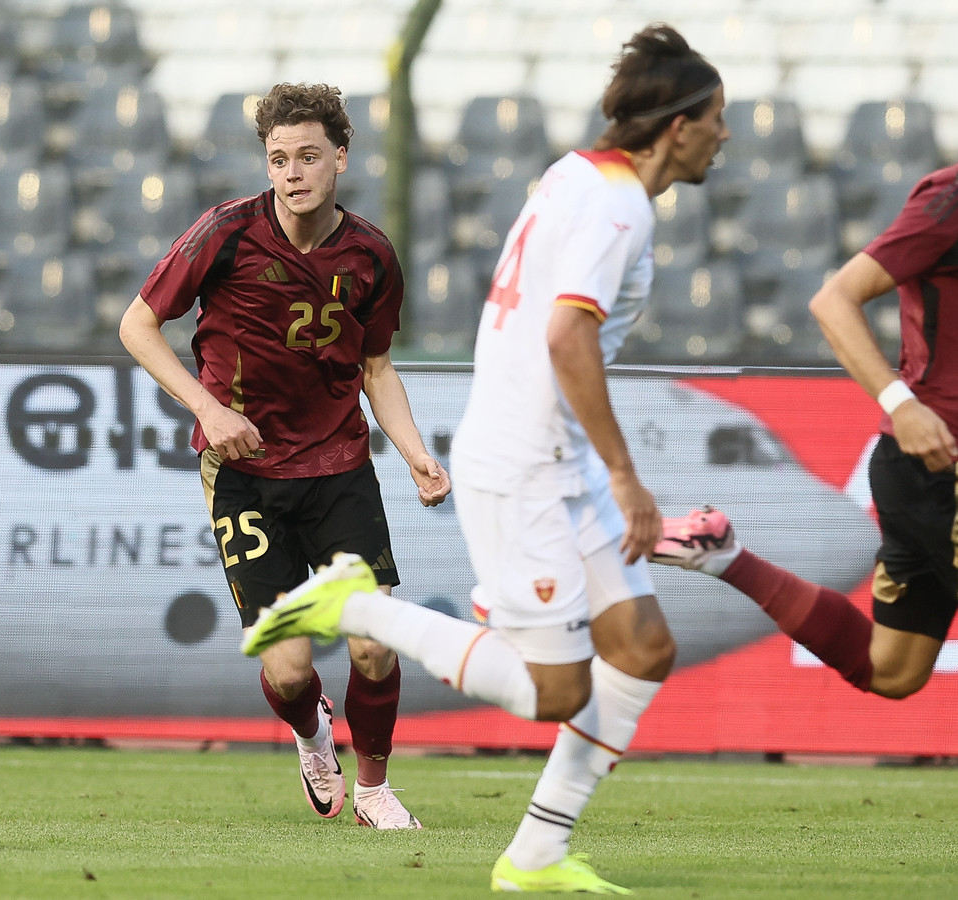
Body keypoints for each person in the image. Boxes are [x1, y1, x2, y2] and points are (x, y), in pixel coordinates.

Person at [244, 25, 727, 895]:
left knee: (644, 648)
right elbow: (568, 335)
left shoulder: (576, 175)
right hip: (528, 463)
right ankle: (361, 610)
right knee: (553, 692)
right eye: (716, 120)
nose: (724, 137)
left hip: (550, 453)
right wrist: (626, 476)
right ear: (679, 126)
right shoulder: (617, 206)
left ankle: (537, 855)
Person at [119, 82, 450, 830]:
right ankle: (310, 735)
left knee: (373, 644)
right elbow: (137, 326)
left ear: (340, 156)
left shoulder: (370, 255)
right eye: (277, 159)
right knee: (291, 667)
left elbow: (375, 367)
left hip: (338, 470)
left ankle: (372, 789)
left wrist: (414, 455)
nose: (292, 172)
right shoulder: (225, 233)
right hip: (243, 477)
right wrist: (207, 407)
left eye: (307, 156)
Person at [652, 162, 958, 701]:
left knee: (891, 669)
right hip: (938, 461)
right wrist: (901, 404)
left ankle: (723, 557)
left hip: (924, 472)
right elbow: (834, 299)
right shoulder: (951, 197)